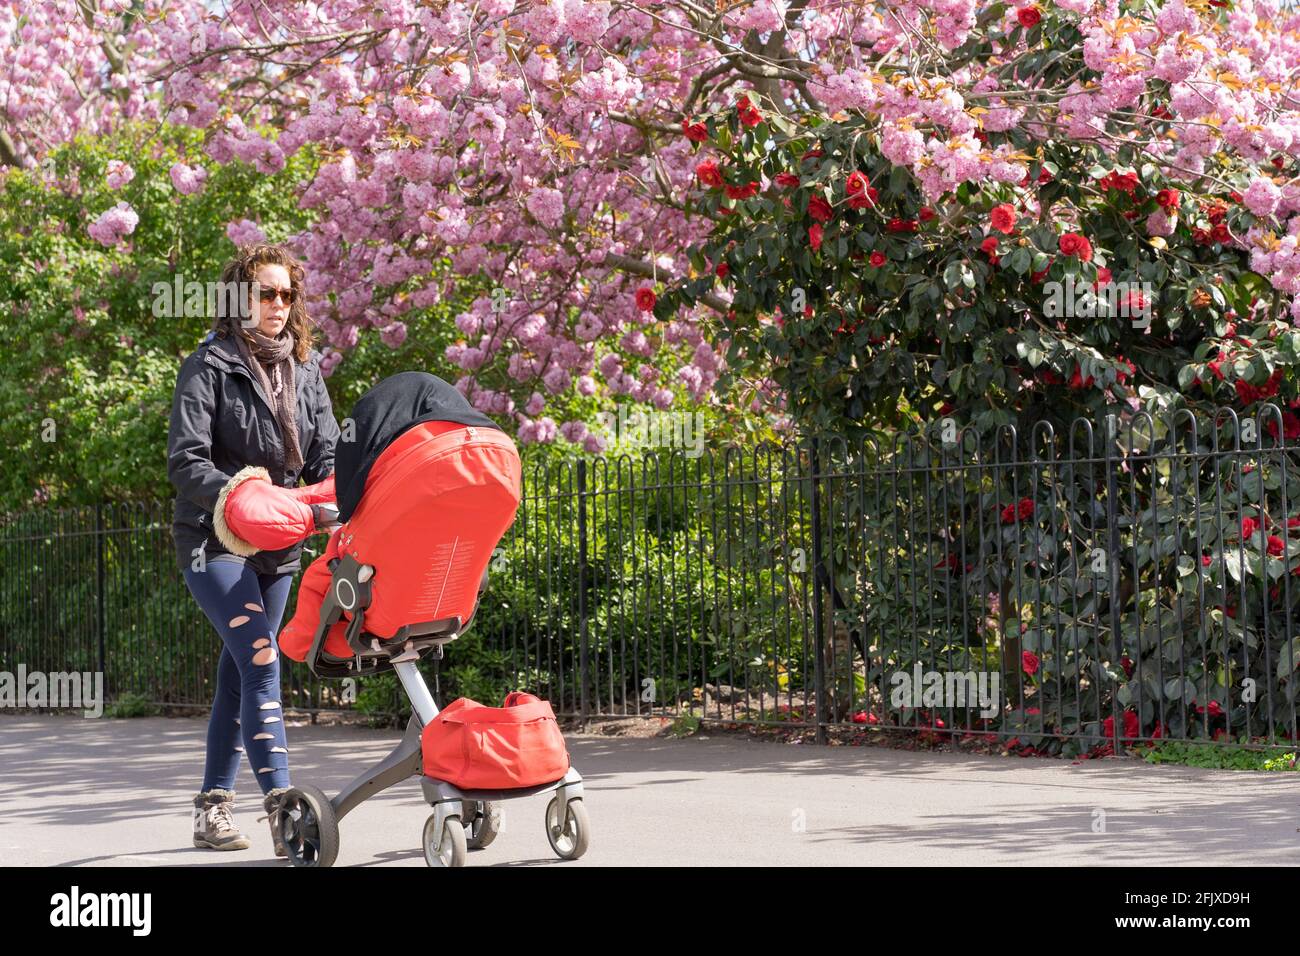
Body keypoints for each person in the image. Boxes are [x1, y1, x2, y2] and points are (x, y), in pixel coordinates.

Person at [166, 244, 340, 854]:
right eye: (267, 293)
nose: (278, 304)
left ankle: (211, 809)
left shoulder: (305, 369)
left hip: (278, 543)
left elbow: (324, 454)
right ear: (239, 297)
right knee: (262, 661)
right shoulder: (208, 365)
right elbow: (186, 459)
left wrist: (333, 499)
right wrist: (239, 495)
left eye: (287, 294)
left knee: (241, 673)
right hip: (213, 538)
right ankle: (283, 809)